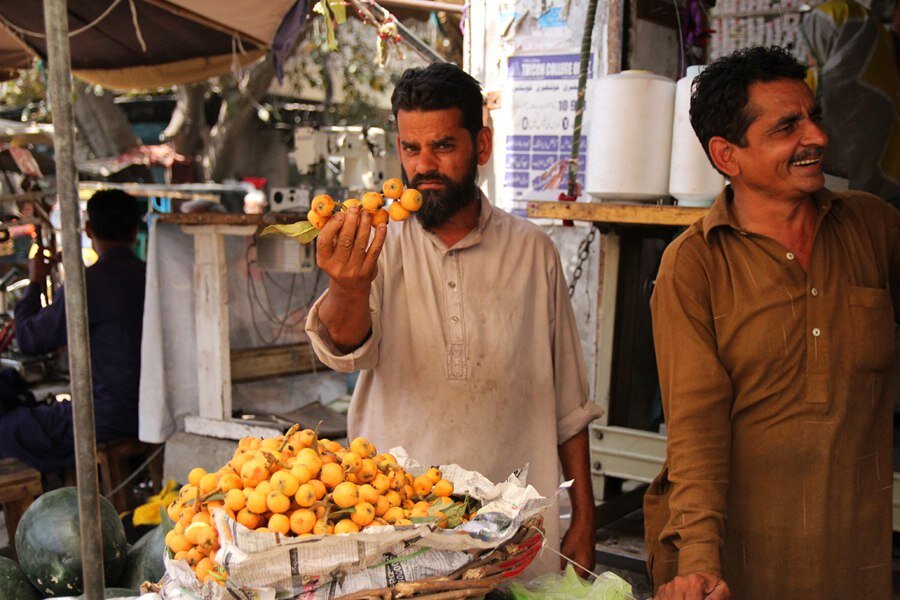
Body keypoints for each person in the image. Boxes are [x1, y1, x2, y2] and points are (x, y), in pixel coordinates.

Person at [305, 62, 602, 574]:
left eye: (443, 146)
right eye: (410, 149)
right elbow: (345, 346)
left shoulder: (534, 252)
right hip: (395, 528)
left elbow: (568, 402)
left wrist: (584, 515)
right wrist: (346, 286)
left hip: (515, 531)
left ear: (481, 147)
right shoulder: (375, 244)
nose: (424, 166)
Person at [644, 45, 899, 599]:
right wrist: (699, 561)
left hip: (856, 561)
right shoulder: (694, 265)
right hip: (739, 566)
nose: (817, 138)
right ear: (727, 155)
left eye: (814, 117)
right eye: (788, 127)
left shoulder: (874, 228)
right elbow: (695, 427)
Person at [1, 189, 147, 473]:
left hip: (109, 417)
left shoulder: (88, 284)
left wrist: (35, 283)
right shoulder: (150, 277)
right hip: (152, 408)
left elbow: (30, 339)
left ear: (89, 230)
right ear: (133, 232)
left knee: (11, 428)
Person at [801, 0, 900, 206]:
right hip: (889, 192)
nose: (810, 58)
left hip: (840, 204)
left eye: (813, 45)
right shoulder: (884, 74)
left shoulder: (816, 93)